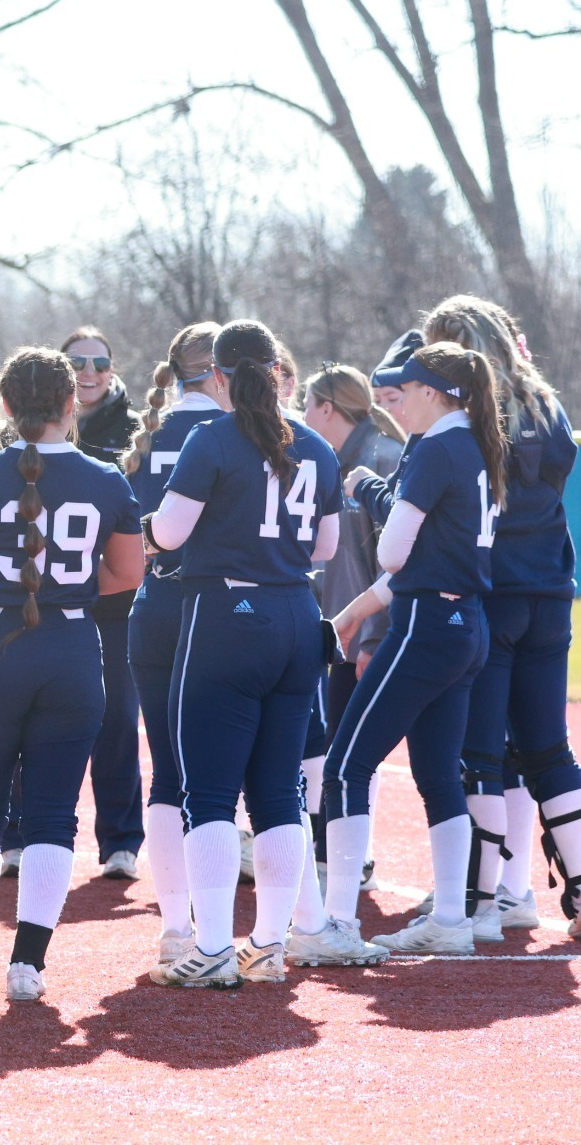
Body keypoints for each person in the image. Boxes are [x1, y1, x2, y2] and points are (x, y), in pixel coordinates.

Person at [0, 348, 145, 1002]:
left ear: (5, 404)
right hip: (72, 647)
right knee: (54, 813)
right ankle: (29, 965)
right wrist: (66, 592)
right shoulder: (106, 479)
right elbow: (128, 573)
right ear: (70, 403)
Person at [142, 320, 351, 988]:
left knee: (207, 793)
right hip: (297, 614)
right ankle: (268, 945)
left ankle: (211, 946)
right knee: (281, 791)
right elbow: (325, 548)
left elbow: (170, 532)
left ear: (220, 375)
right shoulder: (315, 444)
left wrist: (143, 529)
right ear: (278, 370)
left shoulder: (212, 437)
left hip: (225, 617)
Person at [422, 295, 581, 941]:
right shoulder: (545, 402)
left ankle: (483, 904)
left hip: (491, 592)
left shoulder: (470, 413)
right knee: (549, 748)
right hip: (550, 591)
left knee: (480, 755)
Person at [322, 341, 507, 957]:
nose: (398, 402)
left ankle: (338, 923)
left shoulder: (436, 447)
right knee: (438, 774)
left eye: (407, 390)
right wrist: (354, 613)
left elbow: (393, 554)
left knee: (346, 767)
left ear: (432, 392)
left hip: (427, 626)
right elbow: (424, 561)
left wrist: (371, 491)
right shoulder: (477, 442)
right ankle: (451, 918)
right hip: (466, 623)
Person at [0, 328, 143, 883]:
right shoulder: (13, 438)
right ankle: (16, 834)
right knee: (24, 719)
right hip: (37, 601)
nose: (90, 371)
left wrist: (82, 581)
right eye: (77, 362)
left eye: (100, 361)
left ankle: (121, 841)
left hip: (107, 599)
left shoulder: (137, 429)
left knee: (118, 720)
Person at [120, 322, 225, 964]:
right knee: (242, 775)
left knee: (167, 772)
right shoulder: (239, 432)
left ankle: (176, 929)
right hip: (222, 611)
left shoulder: (151, 433)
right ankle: (267, 930)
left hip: (154, 606)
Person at [298, 364, 406, 881]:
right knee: (341, 750)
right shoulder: (334, 461)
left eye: (306, 404)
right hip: (344, 631)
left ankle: (346, 860)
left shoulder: (380, 459)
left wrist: (374, 636)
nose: (301, 414)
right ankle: (340, 856)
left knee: (351, 753)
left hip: (372, 634)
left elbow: (397, 562)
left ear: (327, 408)